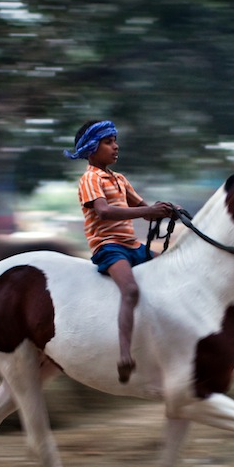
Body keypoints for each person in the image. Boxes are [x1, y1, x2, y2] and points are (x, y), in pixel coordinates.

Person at [65, 120, 174, 383]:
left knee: (173, 271)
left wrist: (169, 210)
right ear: (92, 149)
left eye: (115, 141)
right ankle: (125, 355)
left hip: (133, 246)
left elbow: (146, 212)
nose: (115, 146)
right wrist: (150, 210)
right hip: (108, 246)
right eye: (108, 142)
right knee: (131, 290)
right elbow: (104, 211)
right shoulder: (90, 179)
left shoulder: (120, 179)